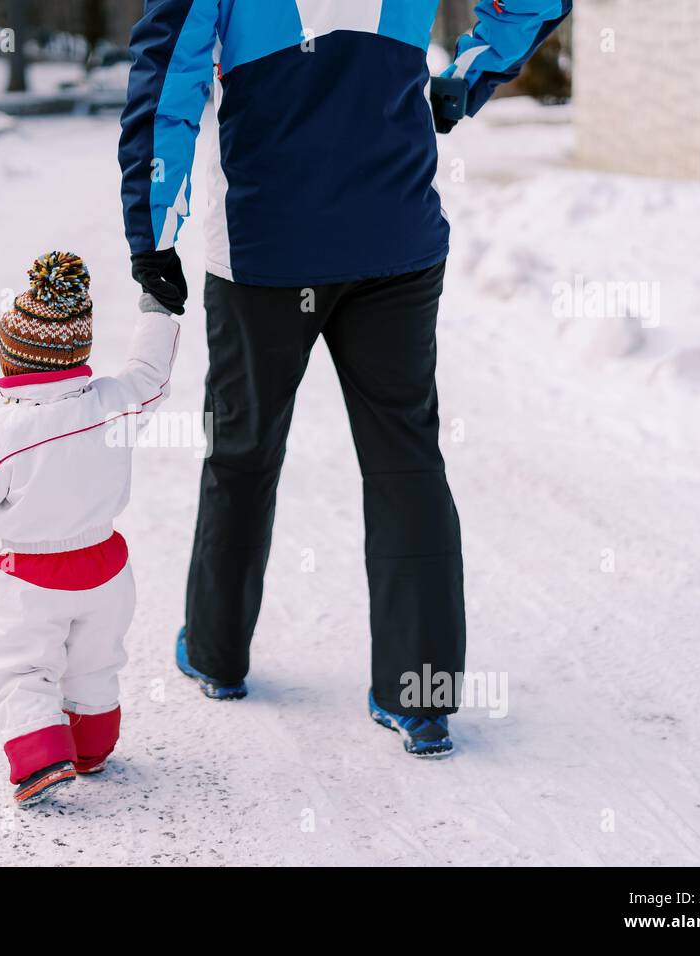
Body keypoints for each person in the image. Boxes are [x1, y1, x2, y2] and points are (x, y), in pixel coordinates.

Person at [119, 0, 571, 757]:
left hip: (266, 251)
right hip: (394, 235)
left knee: (241, 452)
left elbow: (171, 77)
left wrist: (152, 234)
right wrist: (465, 76)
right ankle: (420, 696)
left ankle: (217, 654)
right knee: (406, 459)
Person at [0, 252, 180, 805]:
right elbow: (151, 375)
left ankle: (41, 759)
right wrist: (158, 309)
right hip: (107, 569)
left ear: (12, 360)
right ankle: (91, 747)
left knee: (23, 667)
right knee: (95, 661)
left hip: (33, 579)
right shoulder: (113, 402)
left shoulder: (0, 433)